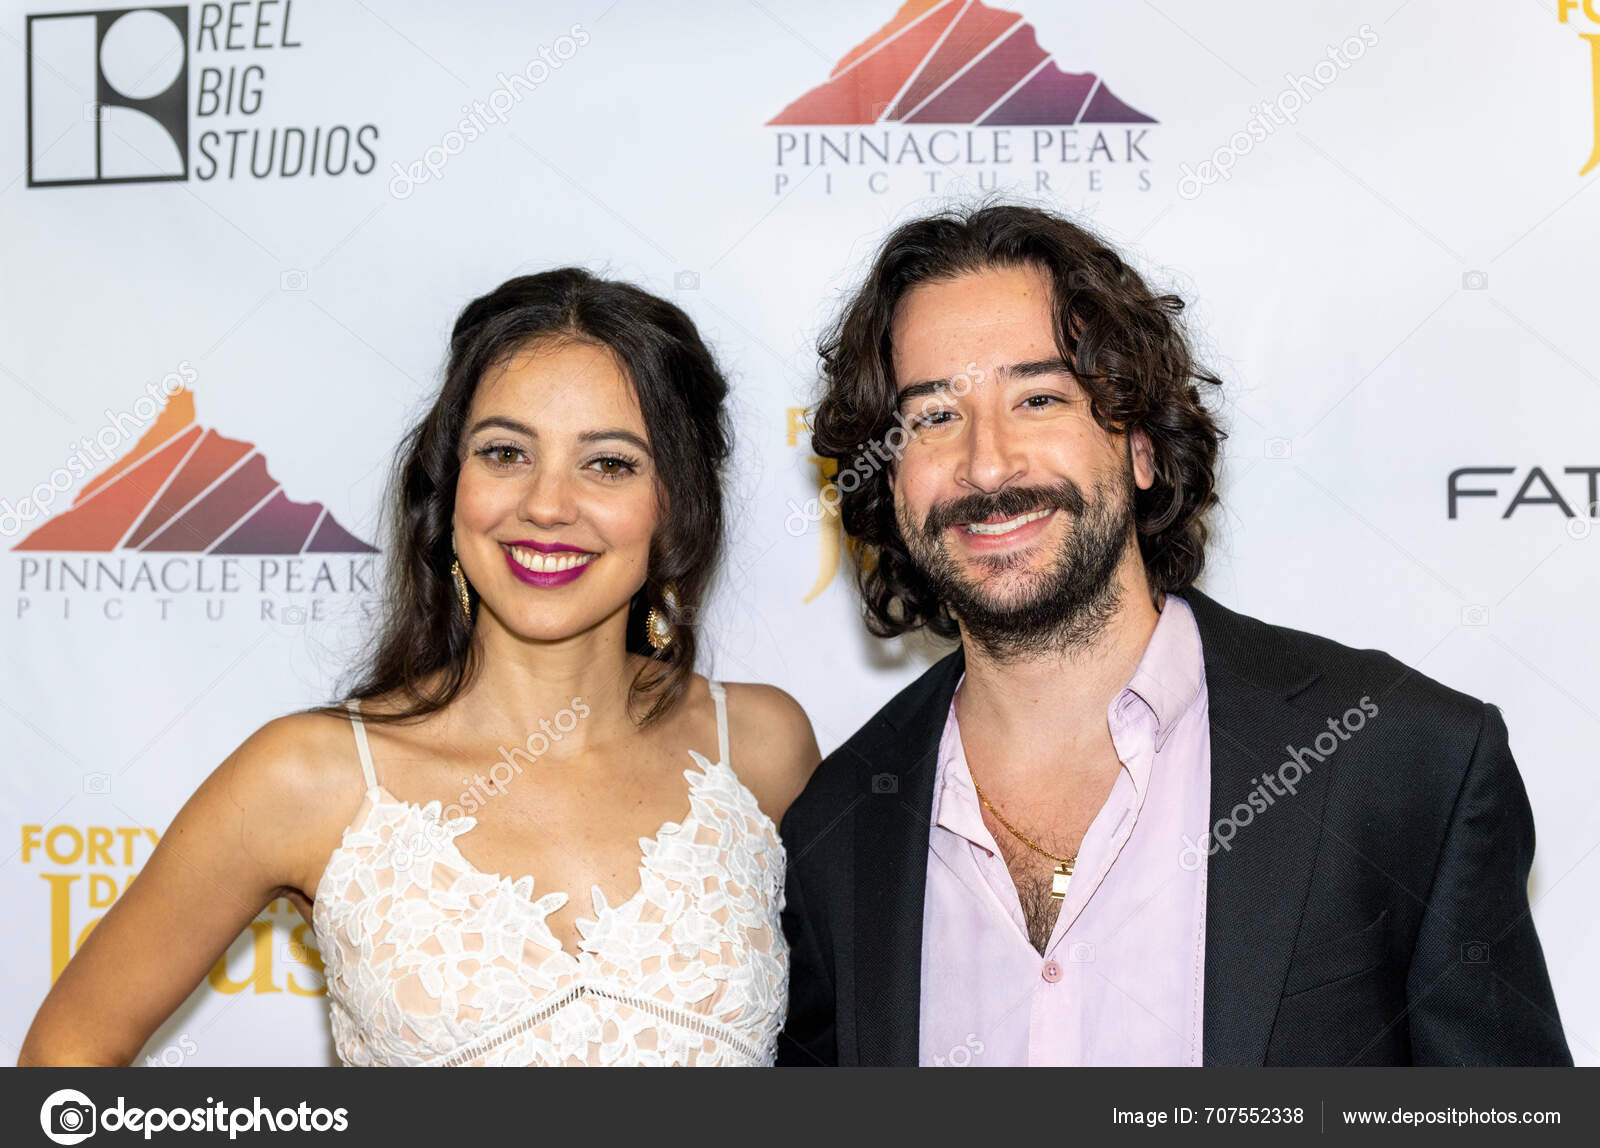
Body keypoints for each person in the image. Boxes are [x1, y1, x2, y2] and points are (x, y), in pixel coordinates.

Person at [778, 204, 1571, 1067]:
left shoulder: (1399, 764)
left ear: (1143, 446)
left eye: (1039, 398)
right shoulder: (838, 829)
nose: (989, 463)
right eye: (933, 416)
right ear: (888, 476)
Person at [20, 268, 819, 1067]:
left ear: (673, 503)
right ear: (451, 486)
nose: (546, 504)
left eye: (608, 463)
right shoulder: (309, 776)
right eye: (505, 452)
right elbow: (66, 1060)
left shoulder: (758, 746)